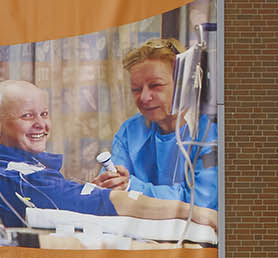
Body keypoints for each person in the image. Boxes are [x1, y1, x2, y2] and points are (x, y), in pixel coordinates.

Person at [0, 79, 217, 232]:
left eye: (44, 114)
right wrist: (196, 212)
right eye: (27, 116)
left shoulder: (12, 166)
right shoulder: (20, 177)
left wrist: (91, 190)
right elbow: (112, 202)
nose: (41, 125)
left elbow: (64, 196)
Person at [93, 38, 219, 211]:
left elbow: (199, 203)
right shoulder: (130, 132)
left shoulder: (208, 134)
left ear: (184, 85)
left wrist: (131, 187)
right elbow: (109, 191)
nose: (144, 98)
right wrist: (109, 183)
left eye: (156, 85)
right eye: (136, 89)